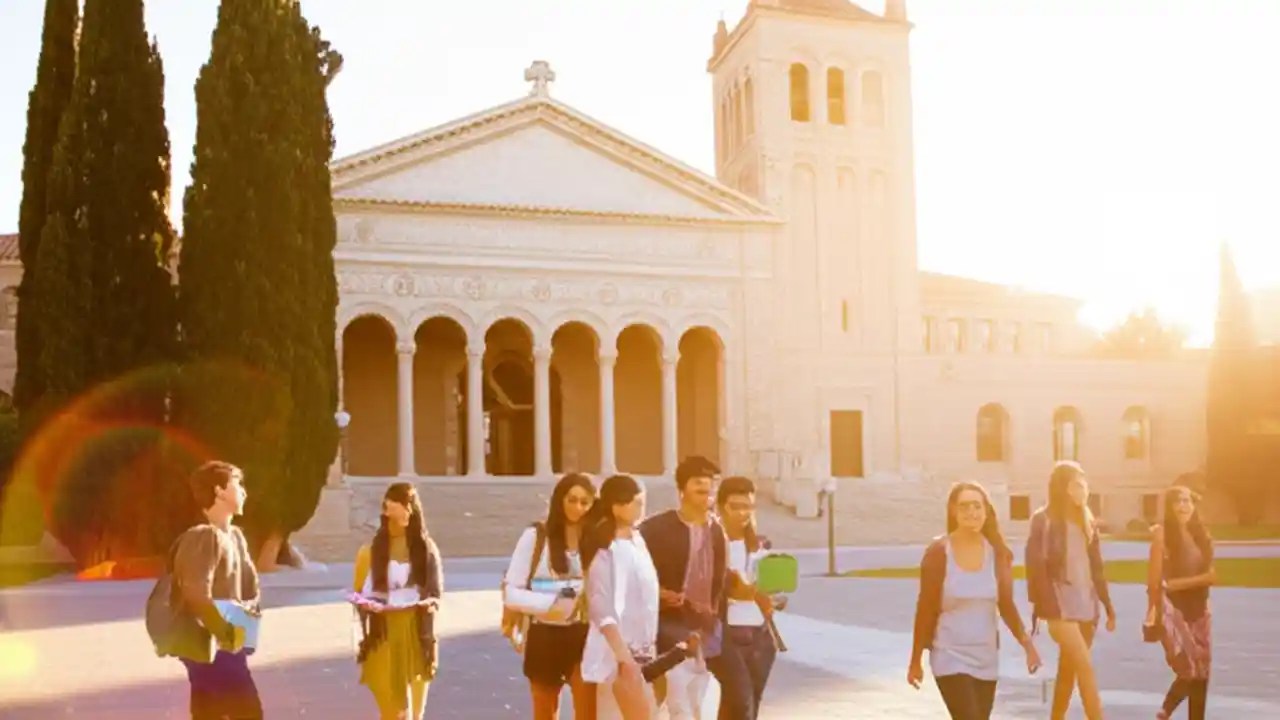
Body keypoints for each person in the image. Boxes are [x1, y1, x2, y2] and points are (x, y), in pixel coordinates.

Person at [908, 481, 1041, 719]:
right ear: (953, 511)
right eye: (964, 506)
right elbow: (925, 609)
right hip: (949, 656)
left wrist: (1027, 645)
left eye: (977, 506)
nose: (971, 512)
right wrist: (916, 659)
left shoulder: (997, 554)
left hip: (986, 657)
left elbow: (1007, 605)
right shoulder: (938, 553)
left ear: (986, 511)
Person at [580, 474, 696, 720]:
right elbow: (602, 609)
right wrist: (624, 659)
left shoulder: (637, 540)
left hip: (644, 652)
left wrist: (664, 596)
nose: (642, 509)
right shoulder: (605, 549)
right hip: (617, 658)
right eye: (638, 503)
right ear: (618, 506)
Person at [171, 460, 263, 720]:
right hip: (210, 644)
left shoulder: (235, 536)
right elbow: (195, 592)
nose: (244, 491)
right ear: (220, 491)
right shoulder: (203, 536)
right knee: (246, 713)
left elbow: (247, 590)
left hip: (228, 643)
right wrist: (226, 633)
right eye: (238, 484)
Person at [502, 473, 598, 719]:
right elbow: (512, 591)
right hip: (544, 633)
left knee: (587, 710)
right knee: (545, 710)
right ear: (560, 500)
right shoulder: (536, 536)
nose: (577, 507)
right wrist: (551, 601)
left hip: (584, 634)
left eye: (584, 502)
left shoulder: (595, 539)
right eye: (572, 499)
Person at [639, 456, 727, 720]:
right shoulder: (654, 528)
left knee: (697, 701)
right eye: (699, 489)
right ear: (682, 491)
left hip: (705, 628)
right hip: (667, 625)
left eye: (710, 490)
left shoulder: (716, 531)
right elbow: (636, 575)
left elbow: (719, 583)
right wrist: (659, 593)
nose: (706, 496)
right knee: (679, 704)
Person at [1025, 461, 1115, 720]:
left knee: (1069, 672)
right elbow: (1035, 568)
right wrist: (1044, 606)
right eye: (1077, 484)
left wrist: (1107, 606)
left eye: (1084, 484)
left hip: (1086, 606)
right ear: (1063, 487)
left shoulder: (1086, 520)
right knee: (1085, 668)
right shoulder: (1044, 520)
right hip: (1058, 608)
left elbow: (1096, 567)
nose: (1083, 489)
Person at [350, 482, 444, 720]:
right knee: (393, 713)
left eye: (408, 507)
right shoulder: (370, 551)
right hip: (383, 637)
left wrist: (428, 603)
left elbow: (435, 593)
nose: (404, 513)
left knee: (414, 715)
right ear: (387, 510)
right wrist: (367, 603)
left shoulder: (426, 549)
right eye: (398, 507)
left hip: (416, 637)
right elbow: (359, 594)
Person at [711, 475, 778, 720]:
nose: (742, 513)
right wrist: (747, 591)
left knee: (750, 708)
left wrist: (774, 596)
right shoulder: (712, 542)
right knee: (738, 705)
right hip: (727, 636)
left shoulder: (758, 545)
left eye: (748, 506)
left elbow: (768, 589)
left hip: (760, 637)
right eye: (735, 506)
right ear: (720, 507)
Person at [1148, 485, 1216, 720]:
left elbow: (1211, 576)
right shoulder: (1162, 535)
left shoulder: (1202, 536)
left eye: (1187, 501)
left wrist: (1178, 583)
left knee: (1202, 671)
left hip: (1201, 610)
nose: (1183, 506)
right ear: (1170, 507)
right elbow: (1156, 580)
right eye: (1177, 501)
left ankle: (1174, 713)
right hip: (1175, 611)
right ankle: (1166, 709)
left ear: (1194, 505)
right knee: (1189, 667)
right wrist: (1152, 612)